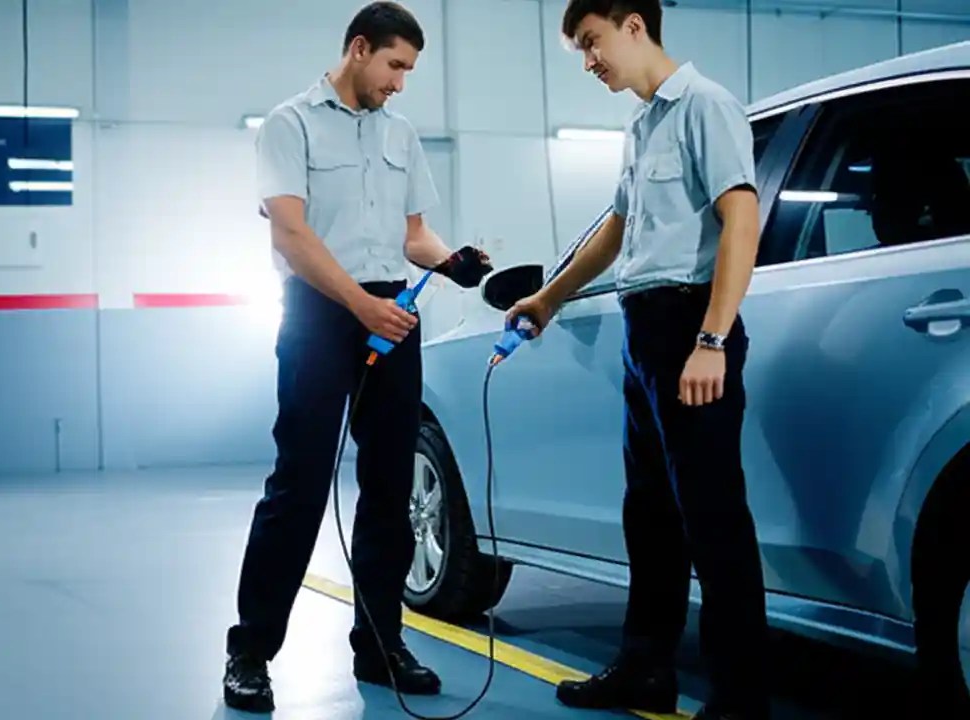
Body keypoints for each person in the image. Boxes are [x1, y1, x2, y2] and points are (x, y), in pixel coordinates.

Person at [222, 1, 493, 714]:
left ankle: (380, 644)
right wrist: (359, 305)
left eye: (409, 71)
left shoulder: (399, 134)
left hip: (391, 313)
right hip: (319, 312)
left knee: (389, 484)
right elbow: (291, 234)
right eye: (395, 66)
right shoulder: (290, 124)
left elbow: (413, 236)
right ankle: (250, 652)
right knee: (300, 484)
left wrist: (453, 261)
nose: (400, 82)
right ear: (360, 48)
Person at [507, 1, 769, 719]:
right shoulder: (643, 124)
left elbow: (741, 218)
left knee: (713, 518)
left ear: (633, 26)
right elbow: (618, 227)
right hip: (645, 329)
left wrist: (711, 340)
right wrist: (549, 297)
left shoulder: (706, 106)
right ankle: (646, 668)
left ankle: (741, 698)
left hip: (689, 322)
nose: (589, 62)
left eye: (592, 42)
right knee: (650, 514)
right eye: (579, 51)